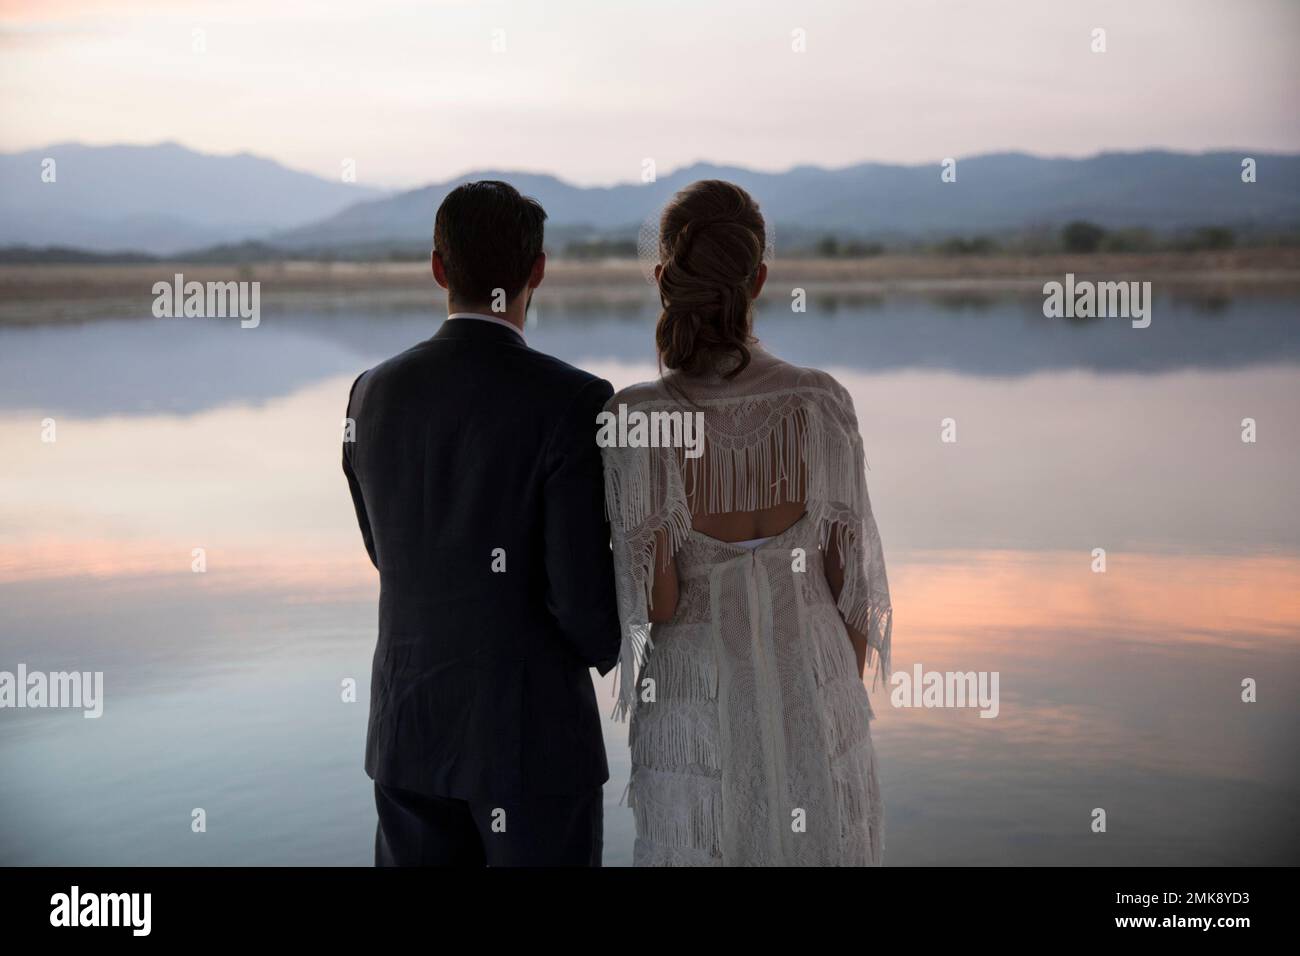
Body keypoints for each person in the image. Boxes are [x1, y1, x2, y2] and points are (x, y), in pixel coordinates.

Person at [602, 179, 893, 866]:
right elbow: (852, 593)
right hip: (816, 689)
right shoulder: (820, 402)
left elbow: (660, 601)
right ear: (759, 279)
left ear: (662, 278)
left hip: (698, 705)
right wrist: (823, 700)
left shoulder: (637, 418)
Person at [343, 180, 621, 866]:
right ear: (538, 271)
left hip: (408, 735)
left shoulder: (369, 392)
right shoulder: (573, 400)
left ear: (438, 267)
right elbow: (582, 601)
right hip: (533, 746)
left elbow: (390, 554)